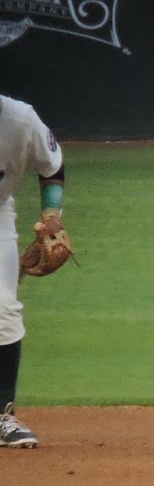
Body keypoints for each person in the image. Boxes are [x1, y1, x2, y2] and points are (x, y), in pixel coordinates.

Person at [1, 93, 68, 449]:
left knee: (3, 309)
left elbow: (51, 164)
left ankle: (1, 416)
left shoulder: (21, 119)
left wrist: (51, 215)